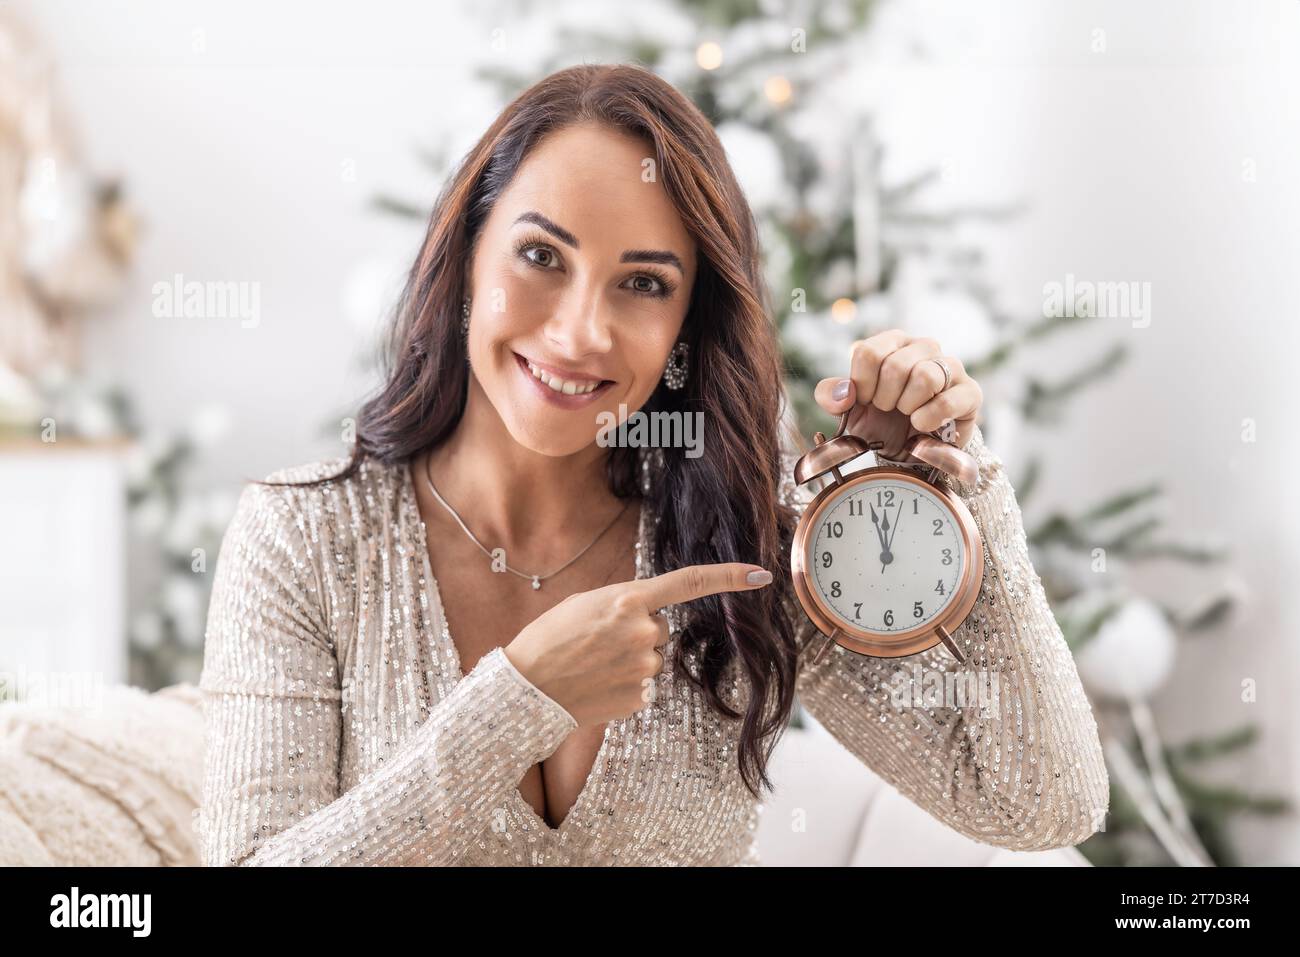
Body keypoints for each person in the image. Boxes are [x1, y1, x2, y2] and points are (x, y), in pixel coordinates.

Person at [194, 63, 1108, 866]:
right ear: (467, 255)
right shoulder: (306, 537)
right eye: (541, 254)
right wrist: (517, 703)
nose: (580, 330)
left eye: (643, 283)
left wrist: (960, 487)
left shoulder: (750, 544)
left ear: (686, 323)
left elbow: (1040, 806)